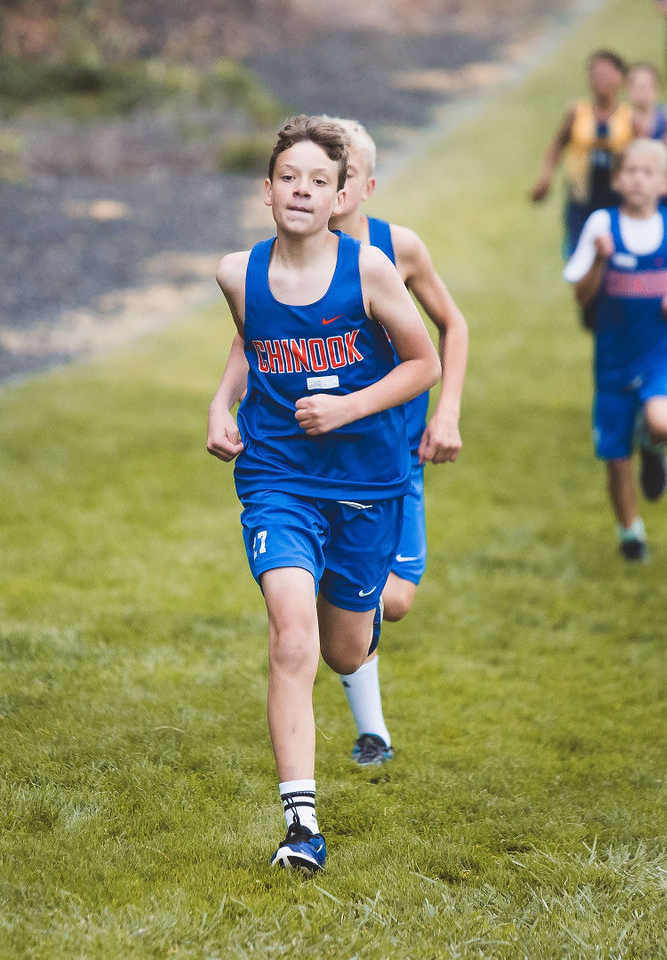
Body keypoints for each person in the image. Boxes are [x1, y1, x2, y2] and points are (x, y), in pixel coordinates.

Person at [206, 115, 440, 872]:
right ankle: (301, 825)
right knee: (293, 637)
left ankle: (363, 635)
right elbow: (252, 342)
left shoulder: (368, 269)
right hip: (278, 478)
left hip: (368, 482)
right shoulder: (235, 273)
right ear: (266, 189)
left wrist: (348, 406)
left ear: (342, 194)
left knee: (345, 648)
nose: (301, 191)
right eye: (289, 178)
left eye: (319, 180)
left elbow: (423, 363)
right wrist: (221, 403)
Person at [320, 117, 469, 769]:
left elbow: (453, 326)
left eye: (345, 173)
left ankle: (338, 607)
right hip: (318, 459)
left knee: (396, 601)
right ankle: (373, 732)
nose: (335, 185)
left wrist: (448, 413)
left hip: (396, 455)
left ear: (366, 184)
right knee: (337, 630)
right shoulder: (296, 255)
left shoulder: (398, 248)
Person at [563, 139, 667, 562]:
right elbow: (581, 295)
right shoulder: (600, 225)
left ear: (664, 183)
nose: (639, 179)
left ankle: (656, 448)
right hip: (612, 359)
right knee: (616, 458)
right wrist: (599, 262)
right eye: (631, 171)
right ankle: (631, 533)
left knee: (664, 423)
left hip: (659, 351)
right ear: (617, 179)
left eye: (649, 172)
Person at [530, 50, 635, 261]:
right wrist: (545, 178)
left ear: (619, 77)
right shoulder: (577, 111)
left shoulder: (630, 117)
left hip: (616, 198)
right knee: (578, 254)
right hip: (581, 198)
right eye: (594, 73)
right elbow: (557, 145)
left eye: (605, 73)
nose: (599, 79)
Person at [627, 62, 667, 141]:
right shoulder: (624, 115)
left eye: (646, 86)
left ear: (656, 90)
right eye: (636, 86)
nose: (641, 91)